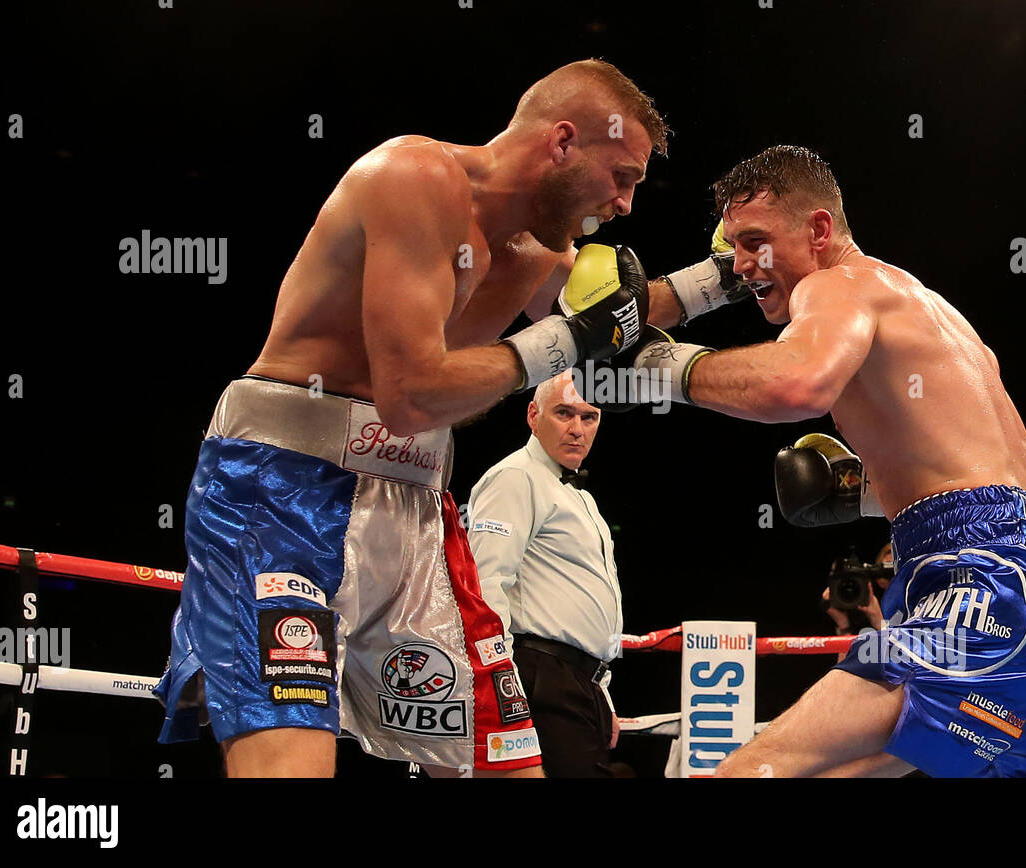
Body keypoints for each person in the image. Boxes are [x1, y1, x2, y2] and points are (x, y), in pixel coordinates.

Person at [152, 59, 677, 778]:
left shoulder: (545, 250)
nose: (624, 204)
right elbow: (410, 395)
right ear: (562, 142)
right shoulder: (417, 179)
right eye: (622, 176)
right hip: (278, 495)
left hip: (416, 511)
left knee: (510, 768)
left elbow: (627, 324)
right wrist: (569, 338)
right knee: (290, 768)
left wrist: (741, 274)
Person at [625, 145, 1026, 778]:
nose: (741, 266)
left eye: (754, 242)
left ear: (819, 230)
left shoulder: (838, 284)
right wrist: (866, 494)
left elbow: (796, 385)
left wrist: (663, 368)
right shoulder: (936, 313)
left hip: (976, 587)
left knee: (751, 771)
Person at [466, 371, 623, 777]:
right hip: (538, 676)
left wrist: (601, 692)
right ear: (533, 415)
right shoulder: (516, 477)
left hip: (577, 683)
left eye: (589, 418)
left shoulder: (575, 494)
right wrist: (497, 683)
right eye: (564, 413)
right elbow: (485, 583)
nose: (577, 429)